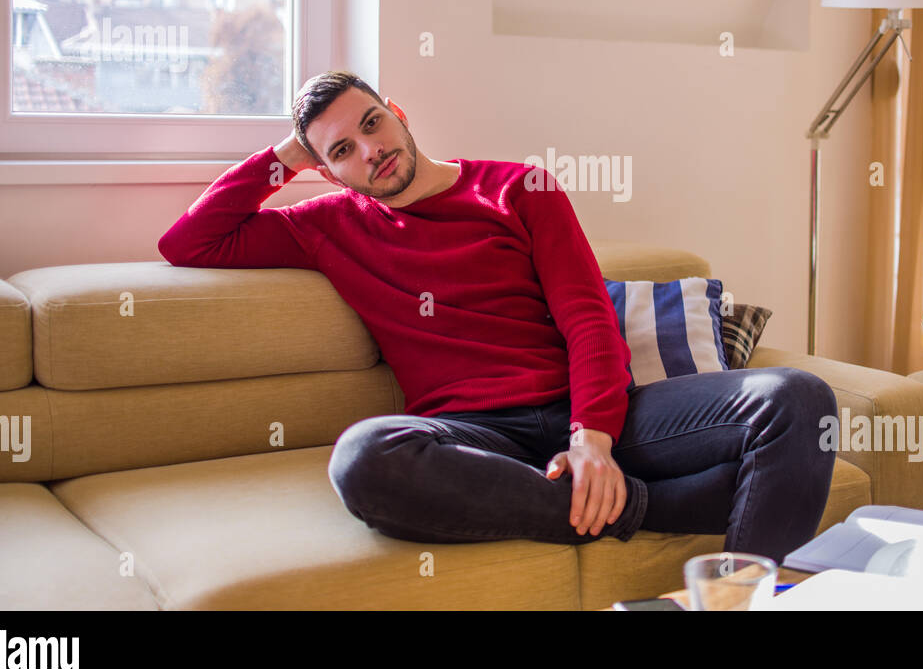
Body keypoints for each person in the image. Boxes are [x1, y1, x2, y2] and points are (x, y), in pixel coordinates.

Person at [157, 70, 836, 561]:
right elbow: (188, 242)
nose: (371, 150)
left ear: (396, 112)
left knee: (798, 397)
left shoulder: (518, 186)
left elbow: (586, 315)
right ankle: (645, 507)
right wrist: (284, 157)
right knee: (364, 458)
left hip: (593, 416)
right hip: (476, 439)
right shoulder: (326, 225)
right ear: (328, 173)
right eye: (341, 151)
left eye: (372, 123)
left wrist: (592, 439)